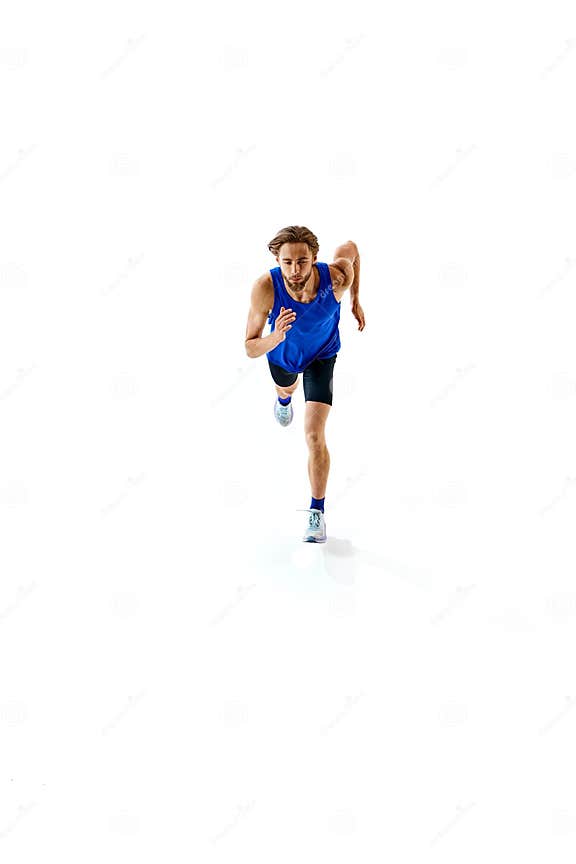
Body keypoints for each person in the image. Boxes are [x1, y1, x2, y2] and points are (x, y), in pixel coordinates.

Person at [244, 225, 365, 543]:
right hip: (282, 355)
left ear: (314, 258)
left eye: (302, 261)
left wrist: (355, 300)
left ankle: (317, 512)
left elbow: (351, 247)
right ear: (277, 259)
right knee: (286, 389)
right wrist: (276, 336)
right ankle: (283, 400)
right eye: (287, 263)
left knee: (313, 435)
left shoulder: (337, 277)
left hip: (322, 356)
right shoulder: (265, 288)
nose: (294, 270)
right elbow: (250, 347)